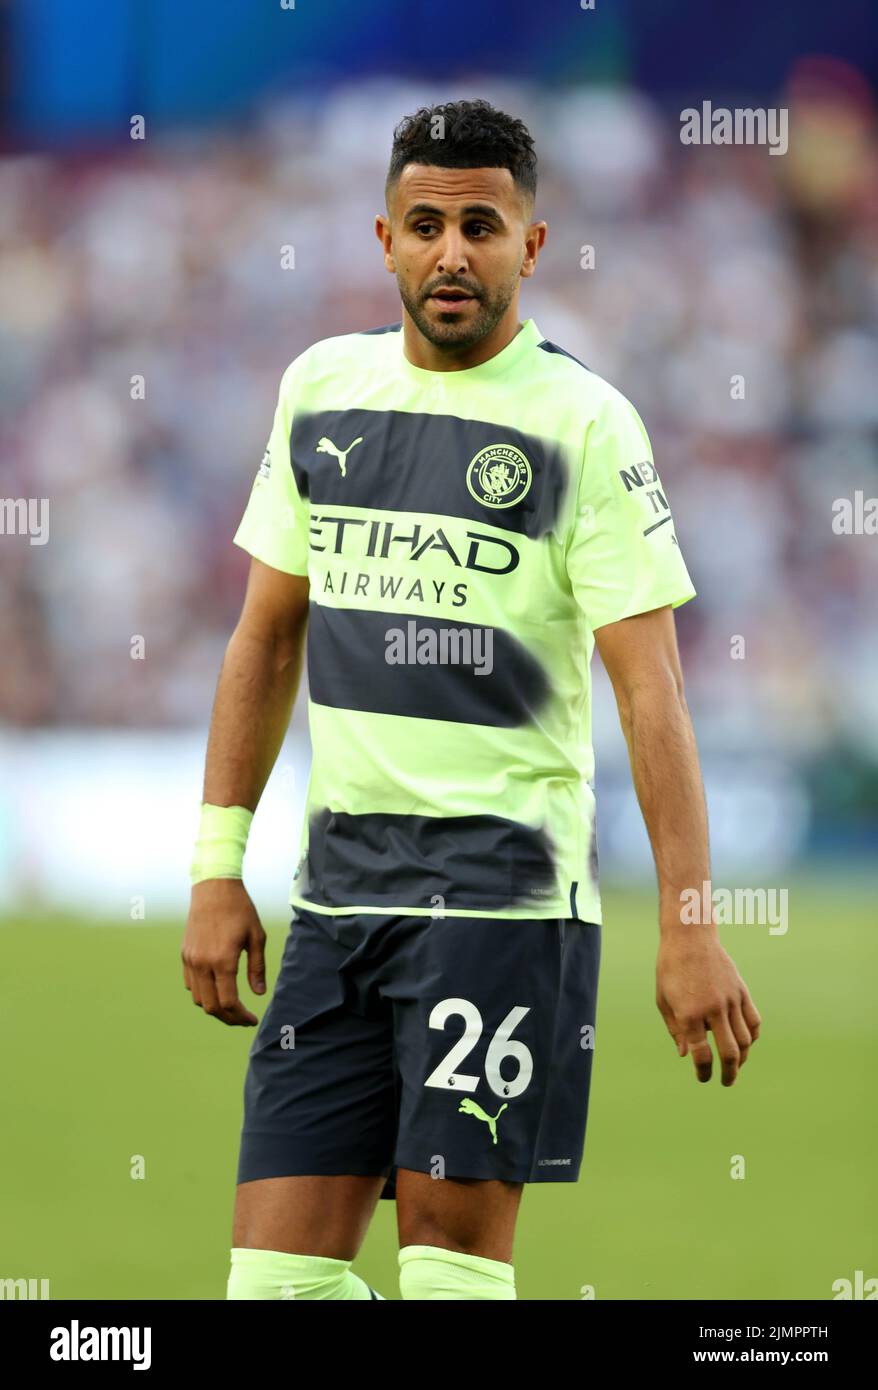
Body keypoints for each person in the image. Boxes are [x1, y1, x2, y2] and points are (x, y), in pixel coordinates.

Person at [182, 98, 761, 1302]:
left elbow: (650, 694)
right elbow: (263, 635)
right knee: (269, 1284)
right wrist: (213, 863)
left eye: (481, 226)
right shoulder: (320, 392)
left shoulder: (584, 425)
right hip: (335, 899)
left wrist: (691, 923)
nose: (453, 251)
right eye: (426, 224)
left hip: (498, 904)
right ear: (382, 239)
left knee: (448, 1276)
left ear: (529, 248)